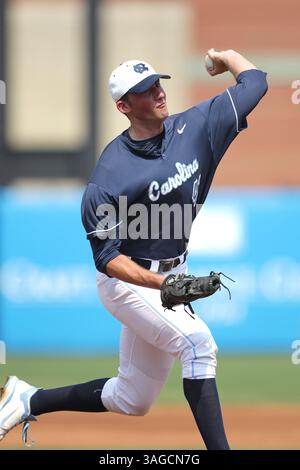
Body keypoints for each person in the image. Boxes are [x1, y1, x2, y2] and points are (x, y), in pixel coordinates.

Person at [0, 50, 268, 450]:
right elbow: (108, 260)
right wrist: (164, 284)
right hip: (130, 282)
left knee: (132, 398)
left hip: (172, 271)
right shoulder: (109, 176)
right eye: (145, 91)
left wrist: (225, 57)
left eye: (158, 83)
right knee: (198, 345)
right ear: (124, 106)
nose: (158, 92)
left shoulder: (197, 127)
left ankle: (28, 398)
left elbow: (256, 82)